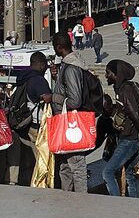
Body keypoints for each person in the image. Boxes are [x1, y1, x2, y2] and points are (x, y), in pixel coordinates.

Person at [102, 60, 139, 198]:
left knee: (108, 172)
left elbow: (135, 115)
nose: (106, 76)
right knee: (130, 173)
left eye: (108, 73)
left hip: (130, 139)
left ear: (116, 74)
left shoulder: (125, 90)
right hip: (131, 137)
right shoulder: (123, 88)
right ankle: (134, 203)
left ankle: (117, 204)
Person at [6, 51, 52, 185]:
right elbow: (48, 101)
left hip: (23, 124)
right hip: (37, 126)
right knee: (42, 159)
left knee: (28, 159)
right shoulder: (38, 81)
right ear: (41, 64)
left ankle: (26, 185)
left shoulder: (22, 78)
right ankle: (39, 185)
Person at [50, 31, 88, 192]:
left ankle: (81, 200)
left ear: (59, 47)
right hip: (64, 122)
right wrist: (56, 78)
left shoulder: (72, 68)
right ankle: (66, 196)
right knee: (65, 165)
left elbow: (75, 100)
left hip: (71, 123)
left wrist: (52, 97)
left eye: (54, 47)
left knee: (77, 165)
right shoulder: (67, 65)